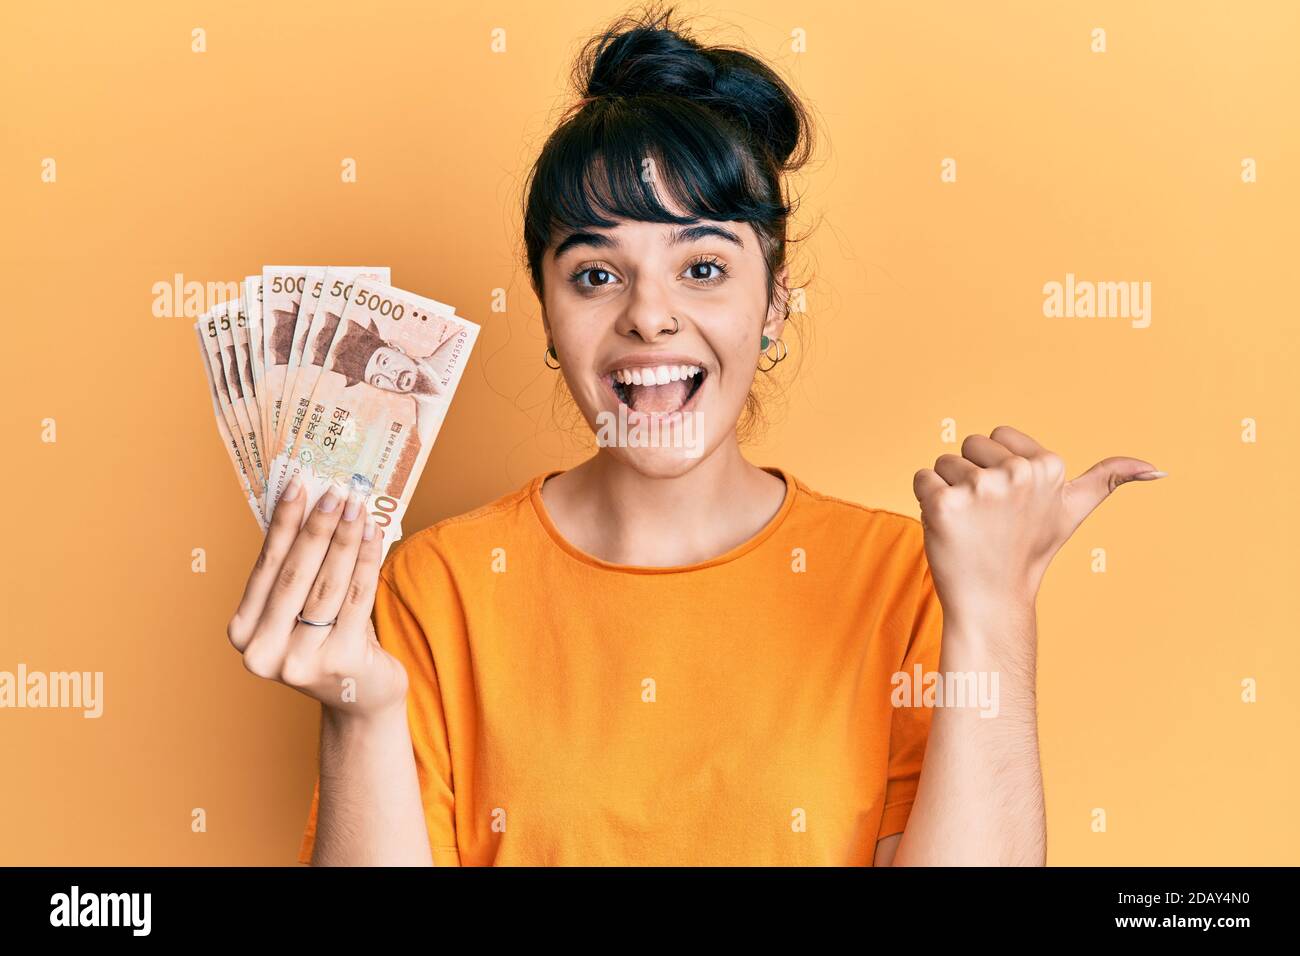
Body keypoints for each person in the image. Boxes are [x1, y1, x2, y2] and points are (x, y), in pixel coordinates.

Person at [226, 6, 1164, 866]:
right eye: (596, 274)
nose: (651, 317)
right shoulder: (435, 591)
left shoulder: (905, 583)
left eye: (704, 266)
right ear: (548, 316)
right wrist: (362, 712)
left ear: (774, 305)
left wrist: (996, 615)